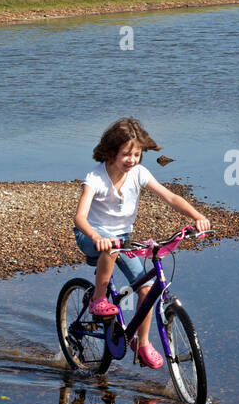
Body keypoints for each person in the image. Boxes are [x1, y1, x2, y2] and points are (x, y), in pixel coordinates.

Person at [73, 118, 211, 370]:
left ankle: (143, 342)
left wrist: (197, 217)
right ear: (111, 151)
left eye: (136, 154)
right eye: (126, 154)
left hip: (121, 240)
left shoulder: (139, 174)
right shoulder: (95, 177)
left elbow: (170, 197)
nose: (132, 160)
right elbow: (79, 217)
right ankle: (99, 298)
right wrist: (96, 237)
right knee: (111, 247)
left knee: (147, 288)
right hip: (91, 236)